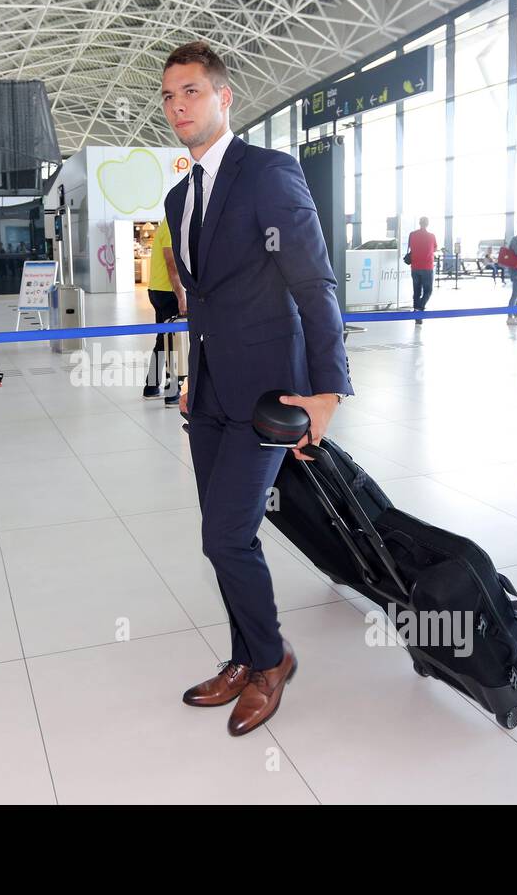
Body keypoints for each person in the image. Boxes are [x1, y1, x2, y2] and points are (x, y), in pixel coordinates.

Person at [161, 41, 353, 736]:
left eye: (191, 92)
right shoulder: (179, 194)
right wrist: (191, 374)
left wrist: (328, 390)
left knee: (226, 536)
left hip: (269, 394)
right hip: (209, 395)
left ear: (223, 97)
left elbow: (313, 281)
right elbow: (201, 300)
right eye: (170, 97)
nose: (179, 106)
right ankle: (245, 656)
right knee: (225, 535)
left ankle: (271, 661)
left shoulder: (269, 173)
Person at [143, 217, 184, 406]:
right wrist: (182, 296)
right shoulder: (171, 226)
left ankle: (151, 387)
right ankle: (172, 392)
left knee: (163, 341)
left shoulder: (167, 223)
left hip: (158, 290)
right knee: (174, 344)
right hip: (168, 293)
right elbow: (171, 265)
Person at [407, 216, 436, 319]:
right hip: (427, 267)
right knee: (428, 291)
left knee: (416, 291)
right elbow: (434, 248)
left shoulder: (412, 235)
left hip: (415, 267)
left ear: (419, 223)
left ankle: (416, 313)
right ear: (427, 224)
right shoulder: (431, 236)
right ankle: (420, 308)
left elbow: (410, 247)